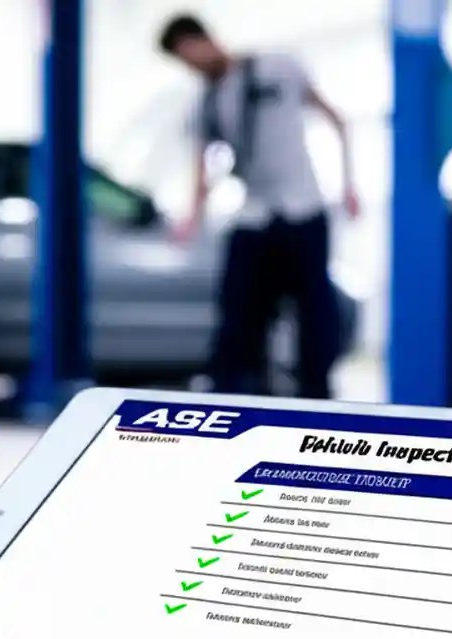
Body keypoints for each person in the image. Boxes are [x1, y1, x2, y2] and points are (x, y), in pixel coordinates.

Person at [160, 14, 359, 398]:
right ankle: (234, 393)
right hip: (254, 214)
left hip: (304, 208)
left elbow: (335, 118)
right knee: (238, 311)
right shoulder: (207, 102)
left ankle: (316, 397)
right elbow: (203, 170)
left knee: (314, 311)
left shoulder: (279, 67)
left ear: (202, 39)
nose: (192, 66)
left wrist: (349, 185)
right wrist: (190, 221)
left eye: (190, 55)